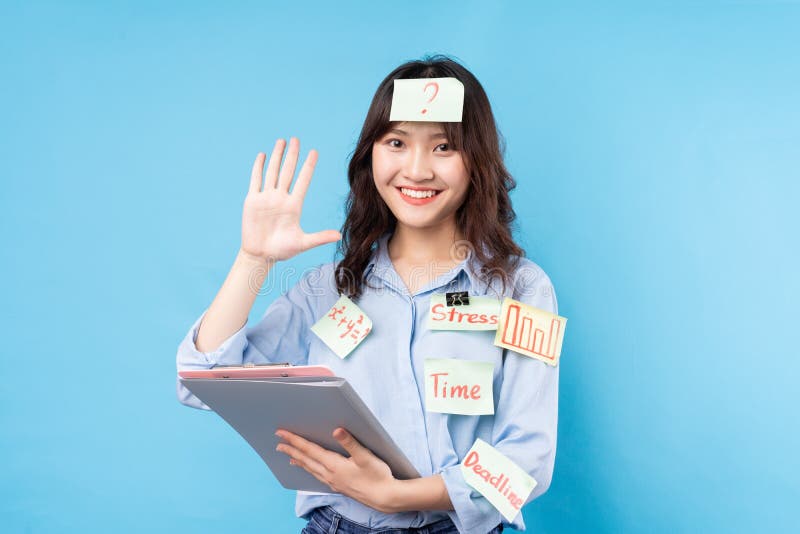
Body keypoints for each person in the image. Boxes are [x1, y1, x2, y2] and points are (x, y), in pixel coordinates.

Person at [176, 55, 559, 534]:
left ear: (476, 160)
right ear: (370, 155)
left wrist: (397, 495)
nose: (416, 170)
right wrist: (254, 260)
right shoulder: (328, 287)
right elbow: (203, 379)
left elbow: (528, 460)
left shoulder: (523, 289)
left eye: (443, 147)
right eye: (396, 142)